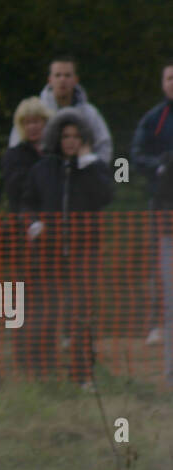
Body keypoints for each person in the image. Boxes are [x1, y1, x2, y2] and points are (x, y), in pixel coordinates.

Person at [21, 108, 113, 387]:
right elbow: (27, 202)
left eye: (76, 136)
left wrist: (88, 163)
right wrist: (33, 224)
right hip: (49, 253)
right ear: (56, 138)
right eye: (65, 136)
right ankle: (44, 373)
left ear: (84, 139)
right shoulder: (42, 168)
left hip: (84, 251)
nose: (70, 141)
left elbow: (108, 195)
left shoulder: (94, 167)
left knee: (81, 312)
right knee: (46, 312)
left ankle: (82, 374)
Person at [131, 59, 173, 378]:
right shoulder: (153, 120)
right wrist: (159, 165)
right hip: (163, 206)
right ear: (163, 83)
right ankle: (156, 323)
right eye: (170, 78)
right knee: (162, 268)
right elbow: (136, 155)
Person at [8, 55, 112, 165]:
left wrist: (94, 170)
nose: (62, 79)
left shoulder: (89, 113)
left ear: (76, 80)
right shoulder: (36, 111)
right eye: (58, 75)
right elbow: (16, 144)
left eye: (67, 75)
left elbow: (104, 146)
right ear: (50, 80)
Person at [1, 97, 53, 212]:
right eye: (27, 123)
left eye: (36, 121)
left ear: (45, 122)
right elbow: (14, 193)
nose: (32, 127)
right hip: (26, 220)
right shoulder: (12, 156)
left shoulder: (55, 153)